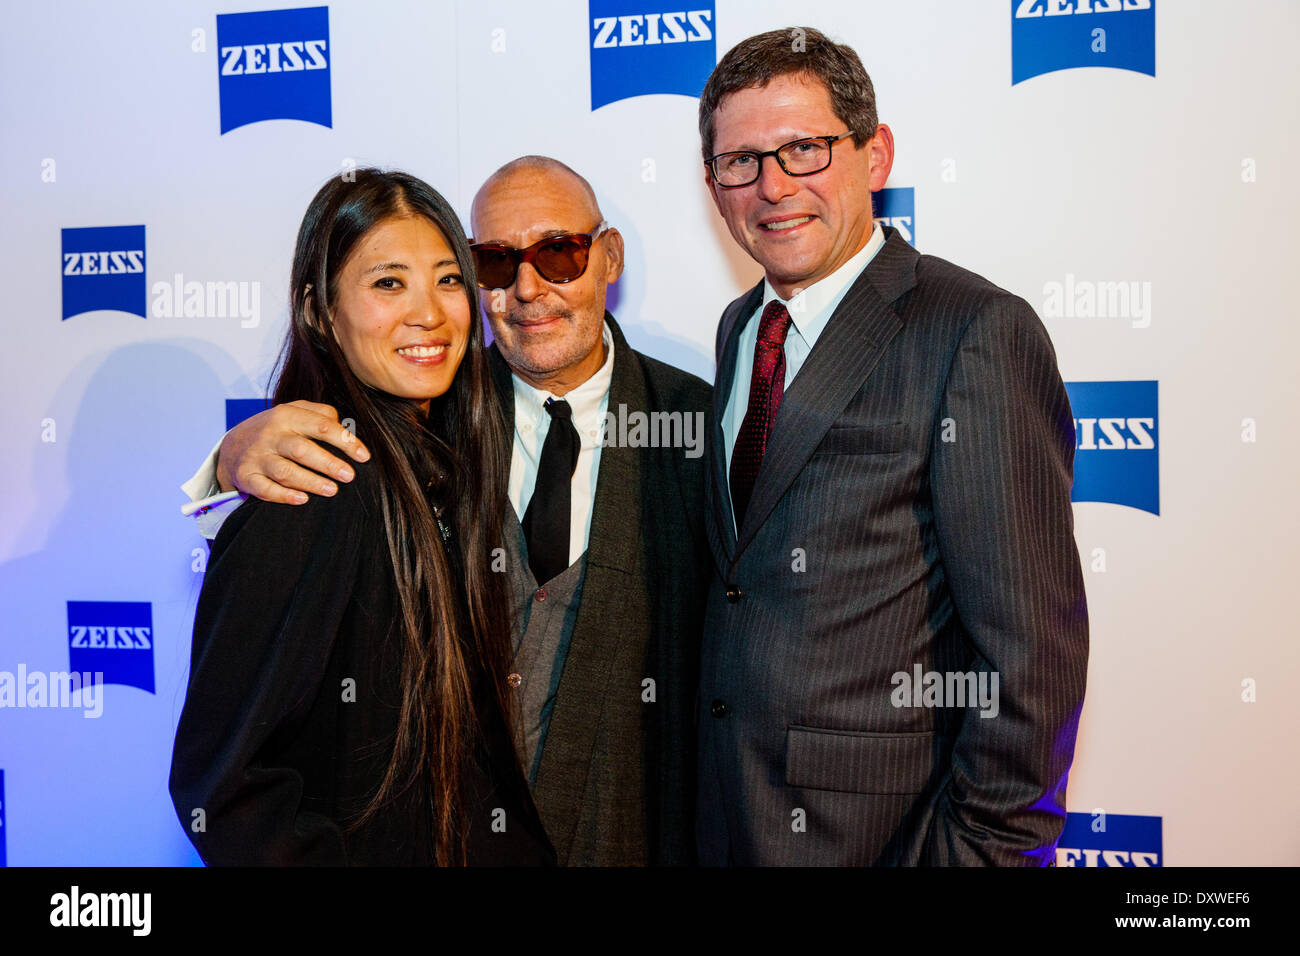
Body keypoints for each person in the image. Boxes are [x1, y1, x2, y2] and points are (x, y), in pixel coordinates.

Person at [180, 157, 711, 866]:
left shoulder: (702, 425)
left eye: (560, 252)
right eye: (492, 263)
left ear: (608, 256)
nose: (528, 288)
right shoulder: (377, 443)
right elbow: (233, 780)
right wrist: (228, 462)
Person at [694, 28, 1089, 865]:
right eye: (741, 161)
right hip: (732, 823)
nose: (772, 186)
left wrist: (976, 852)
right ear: (713, 183)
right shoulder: (741, 329)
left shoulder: (975, 331)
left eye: (804, 149)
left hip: (885, 841)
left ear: (875, 156)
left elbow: (1032, 661)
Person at [169, 168, 554, 866]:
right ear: (320, 312)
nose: (429, 313)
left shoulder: (445, 459)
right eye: (387, 283)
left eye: (446, 279)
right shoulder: (315, 486)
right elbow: (226, 787)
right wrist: (230, 464)